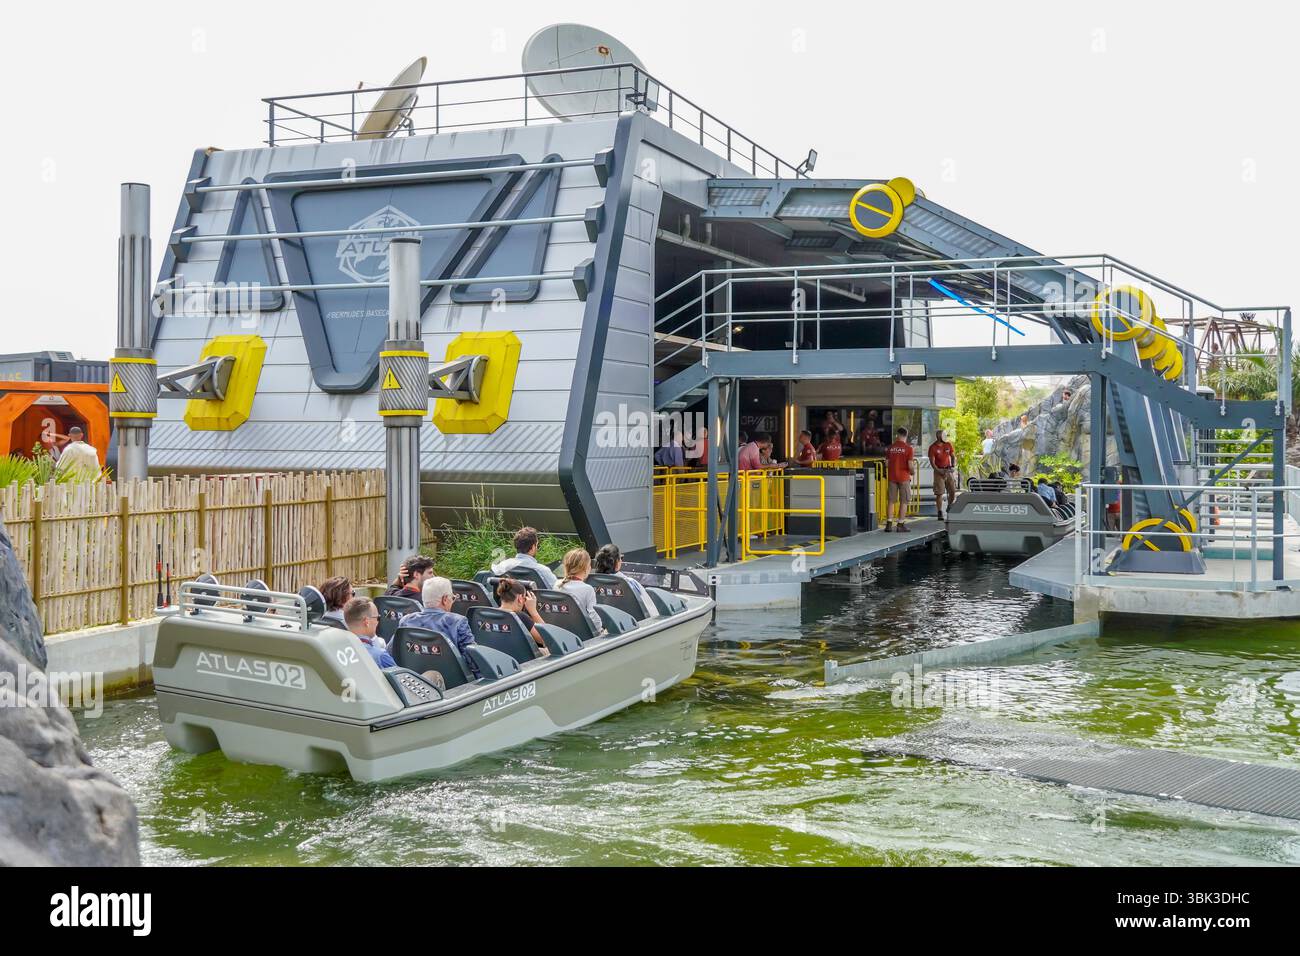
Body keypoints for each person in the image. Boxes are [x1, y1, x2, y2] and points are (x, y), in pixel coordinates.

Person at [399, 576, 479, 676]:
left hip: (415, 681)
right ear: (445, 599)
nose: (452, 601)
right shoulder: (458, 622)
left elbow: (394, 653)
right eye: (452, 598)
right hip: (456, 685)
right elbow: (474, 661)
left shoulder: (406, 621)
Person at [593, 543, 656, 618]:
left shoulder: (590, 581)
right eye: (620, 558)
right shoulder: (629, 582)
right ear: (616, 563)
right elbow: (651, 611)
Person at [494, 577, 549, 654]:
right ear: (520, 598)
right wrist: (533, 612)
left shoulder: (491, 614)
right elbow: (547, 638)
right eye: (525, 598)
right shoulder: (519, 617)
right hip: (523, 659)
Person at [556, 548, 605, 636]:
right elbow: (594, 617)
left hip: (564, 632)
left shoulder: (557, 584)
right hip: (584, 635)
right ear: (586, 568)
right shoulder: (587, 589)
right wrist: (600, 631)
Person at [491, 527, 559, 589]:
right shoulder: (542, 570)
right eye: (537, 545)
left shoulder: (502, 566)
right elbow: (559, 592)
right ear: (532, 547)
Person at [343, 597, 397, 668]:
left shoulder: (336, 650)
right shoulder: (381, 657)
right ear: (367, 622)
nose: (378, 622)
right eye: (378, 618)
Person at [885, 427, 915, 533]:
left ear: (897, 435)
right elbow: (910, 465)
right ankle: (900, 524)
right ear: (906, 436)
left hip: (892, 477)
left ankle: (889, 524)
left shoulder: (890, 448)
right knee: (904, 501)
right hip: (904, 478)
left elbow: (887, 464)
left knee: (891, 501)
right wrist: (912, 472)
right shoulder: (909, 448)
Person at [927, 429, 959, 521]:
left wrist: (953, 466)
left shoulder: (948, 444)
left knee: (952, 491)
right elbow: (932, 462)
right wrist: (938, 470)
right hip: (939, 471)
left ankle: (949, 505)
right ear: (938, 437)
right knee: (939, 493)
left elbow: (953, 456)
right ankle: (939, 512)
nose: (945, 437)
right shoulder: (932, 447)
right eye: (943, 435)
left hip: (948, 470)